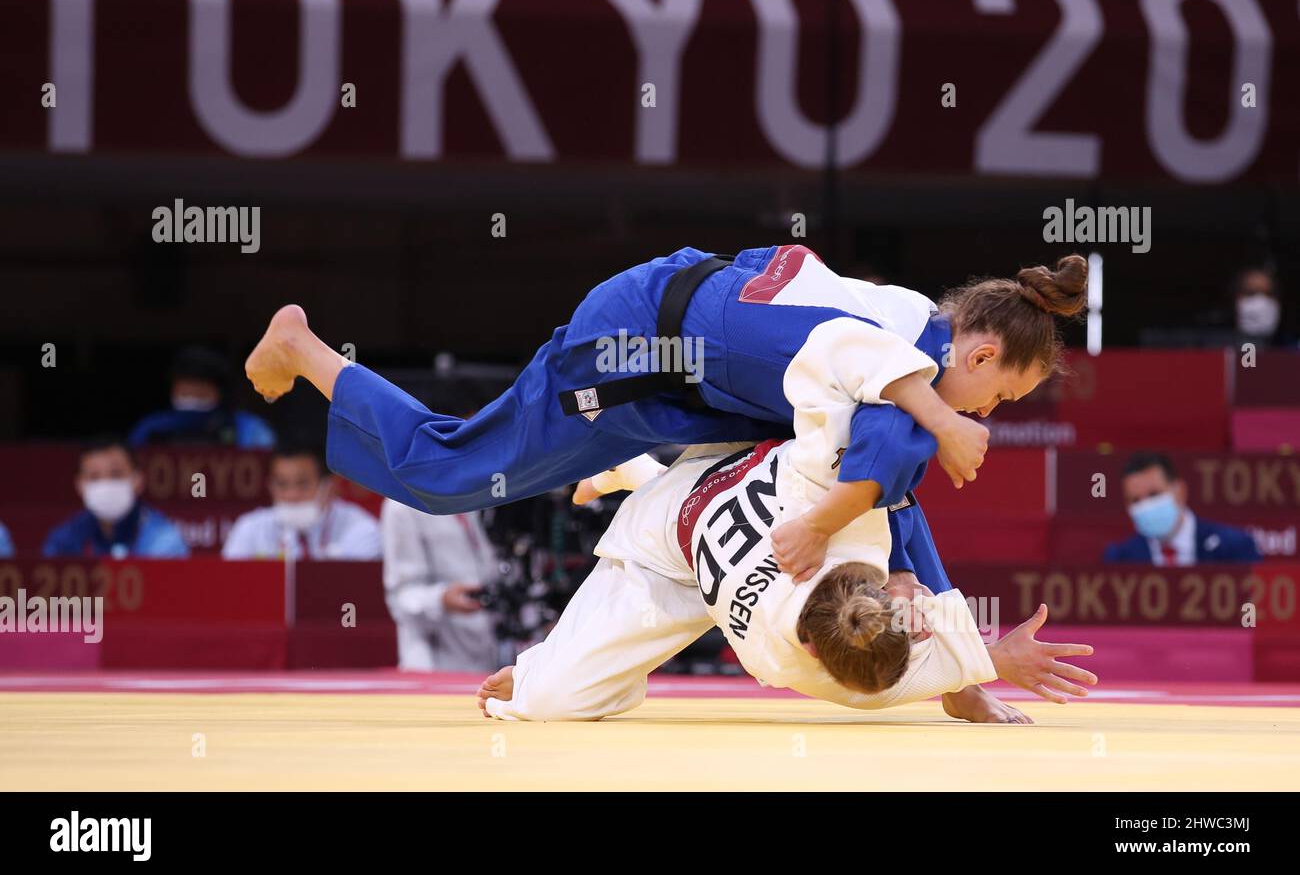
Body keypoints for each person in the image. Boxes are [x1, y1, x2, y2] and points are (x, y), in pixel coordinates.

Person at [244, 246, 1085, 578]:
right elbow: (890, 457)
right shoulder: (902, 375)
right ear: (977, 355)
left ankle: (622, 468)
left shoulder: (907, 320)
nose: (991, 416)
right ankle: (307, 349)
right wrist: (944, 421)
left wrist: (966, 667)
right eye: (1001, 398)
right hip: (640, 352)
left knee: (816, 463)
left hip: (676, 365)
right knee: (446, 472)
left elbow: (893, 502)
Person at [477, 439, 1096, 724]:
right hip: (668, 538)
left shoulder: (849, 542)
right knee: (547, 699)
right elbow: (893, 440)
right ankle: (640, 470)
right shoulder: (793, 659)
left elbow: (898, 472)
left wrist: (913, 587)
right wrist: (979, 664)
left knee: (544, 698)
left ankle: (637, 470)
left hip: (705, 522)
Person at [381, 497, 500, 672]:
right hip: (434, 664)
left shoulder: (472, 496)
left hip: (487, 653)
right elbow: (400, 597)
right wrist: (442, 599)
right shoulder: (401, 505)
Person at [222, 443, 380, 562]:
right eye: (282, 484)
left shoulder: (361, 527)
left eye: (303, 484)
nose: (292, 495)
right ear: (270, 487)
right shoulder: (250, 528)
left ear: (328, 487)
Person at [43, 437, 190, 559]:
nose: (105, 484)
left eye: (116, 475)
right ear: (79, 485)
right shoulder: (62, 540)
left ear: (137, 480)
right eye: (94, 477)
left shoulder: (165, 542)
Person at [1104, 452, 1261, 565]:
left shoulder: (1234, 546)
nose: (1145, 506)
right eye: (1135, 500)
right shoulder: (1119, 558)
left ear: (1180, 491)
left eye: (1154, 495)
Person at [129, 346, 276, 449]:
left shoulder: (250, 429)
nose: (192, 399)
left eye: (200, 393)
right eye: (185, 394)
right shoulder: (150, 429)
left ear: (219, 393)